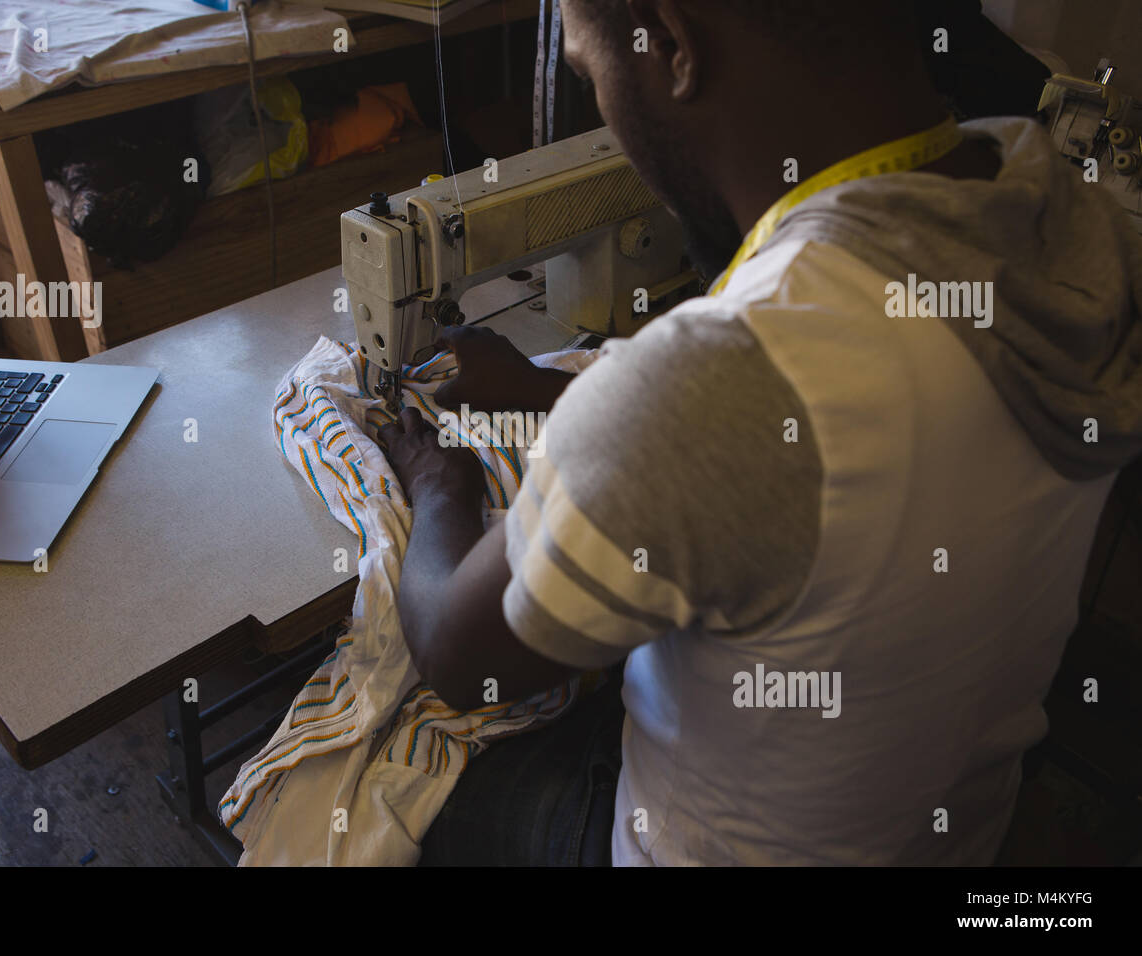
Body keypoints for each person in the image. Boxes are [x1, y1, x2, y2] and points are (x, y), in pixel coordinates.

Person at [379, 0, 1142, 865]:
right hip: (957, 834)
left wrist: (439, 481)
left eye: (590, 74)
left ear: (668, 42)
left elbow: (457, 653)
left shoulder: (716, 377)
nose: (602, 111)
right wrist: (558, 397)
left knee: (398, 777)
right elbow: (803, 436)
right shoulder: (1076, 227)